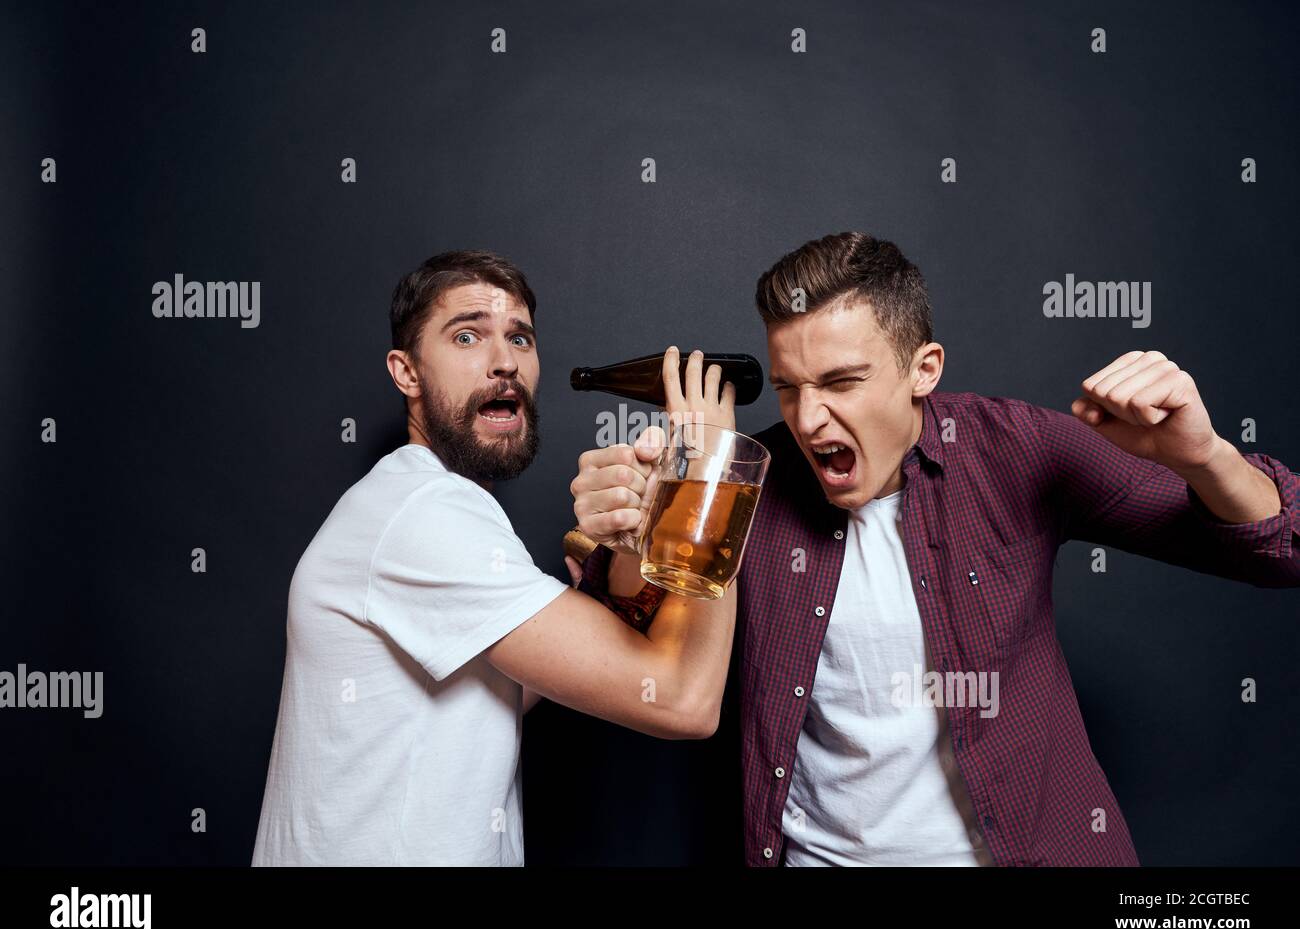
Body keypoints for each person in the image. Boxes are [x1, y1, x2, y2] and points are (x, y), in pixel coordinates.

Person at [571, 231, 1299, 866]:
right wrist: (635, 531)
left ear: (924, 368)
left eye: (841, 381)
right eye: (789, 387)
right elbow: (639, 651)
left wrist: (1205, 457)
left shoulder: (1016, 450)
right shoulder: (740, 484)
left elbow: (1277, 549)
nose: (807, 415)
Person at [252, 249, 736, 865]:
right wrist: (715, 481)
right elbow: (684, 699)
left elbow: (547, 677)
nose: (504, 361)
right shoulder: (422, 510)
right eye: (467, 336)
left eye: (520, 338)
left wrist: (627, 548)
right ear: (406, 372)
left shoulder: (443, 513)